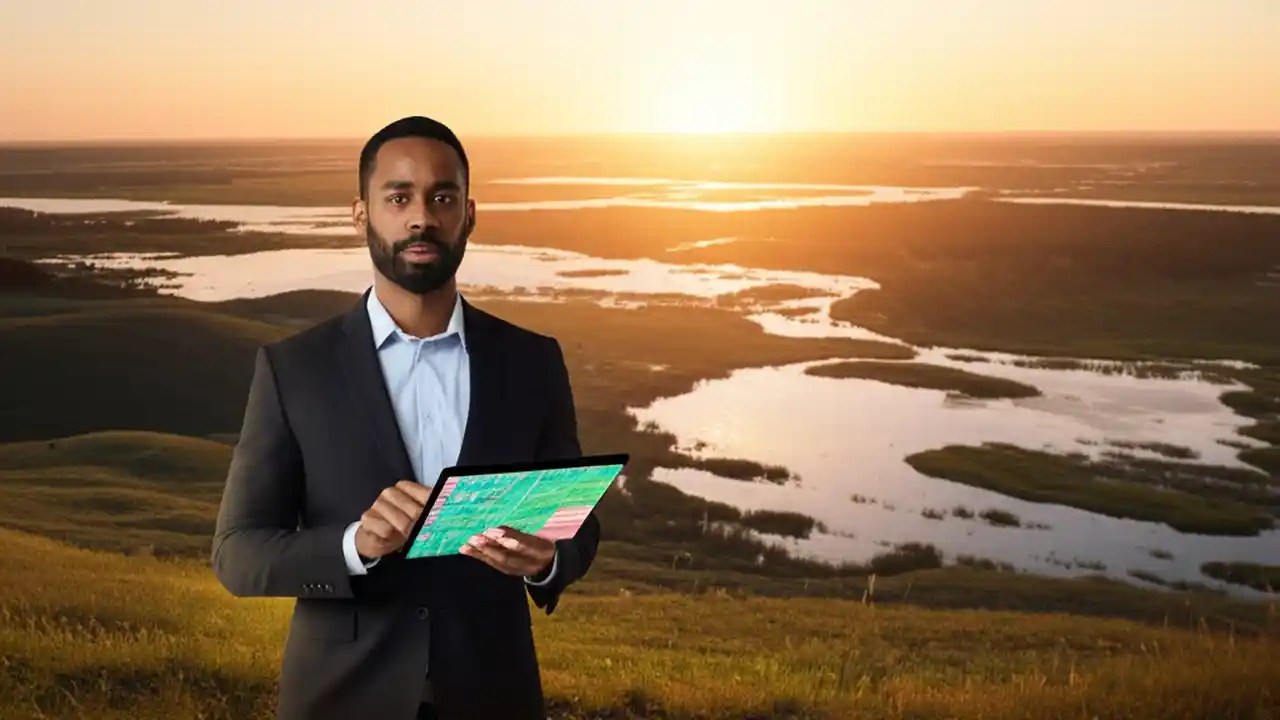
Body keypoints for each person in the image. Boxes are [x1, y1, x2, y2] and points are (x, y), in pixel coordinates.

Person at [211, 115, 599, 720]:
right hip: (339, 699)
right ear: (362, 215)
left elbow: (575, 522)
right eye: (399, 197)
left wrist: (549, 561)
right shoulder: (294, 369)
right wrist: (353, 546)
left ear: (469, 214)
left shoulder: (532, 361)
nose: (421, 217)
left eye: (442, 197)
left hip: (495, 696)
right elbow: (236, 553)